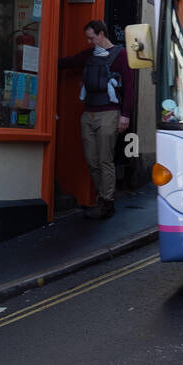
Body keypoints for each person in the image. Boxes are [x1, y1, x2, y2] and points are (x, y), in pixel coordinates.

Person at [59, 19, 134, 219]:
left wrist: (125, 115)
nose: (89, 42)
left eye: (91, 38)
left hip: (109, 113)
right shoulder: (90, 54)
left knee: (104, 159)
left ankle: (106, 202)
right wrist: (42, 58)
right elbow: (71, 62)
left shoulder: (121, 55)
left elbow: (129, 87)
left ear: (101, 34)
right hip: (88, 113)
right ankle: (104, 196)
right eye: (88, 39)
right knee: (92, 160)